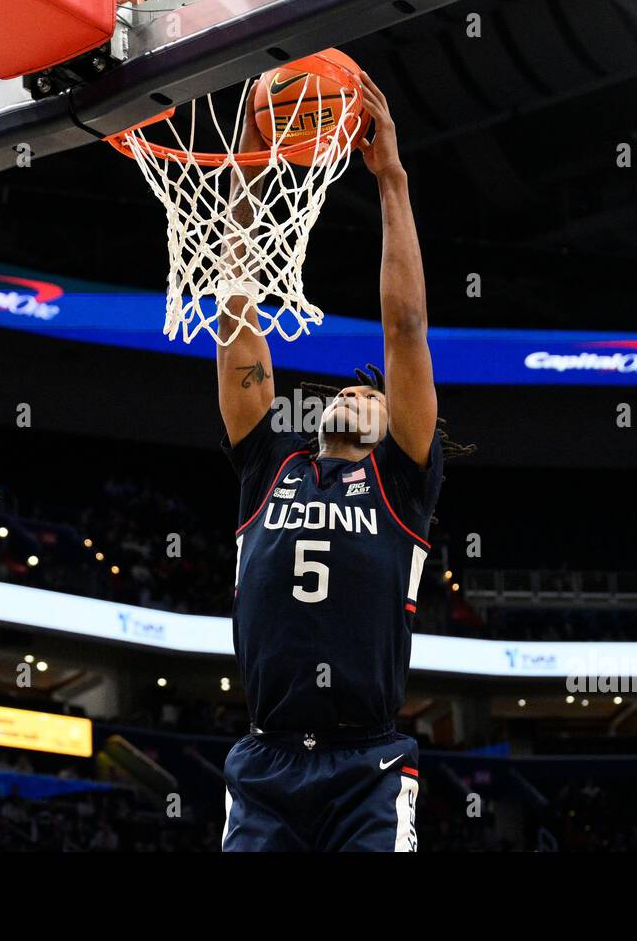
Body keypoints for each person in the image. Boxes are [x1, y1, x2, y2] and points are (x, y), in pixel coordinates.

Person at [216, 71, 470, 851]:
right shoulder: (267, 466)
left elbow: (406, 329)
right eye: (350, 388)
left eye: (375, 395)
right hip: (263, 762)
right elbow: (236, 317)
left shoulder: (401, 482)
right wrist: (249, 176)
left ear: (398, 423)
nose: (360, 393)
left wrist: (392, 179)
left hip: (369, 764)